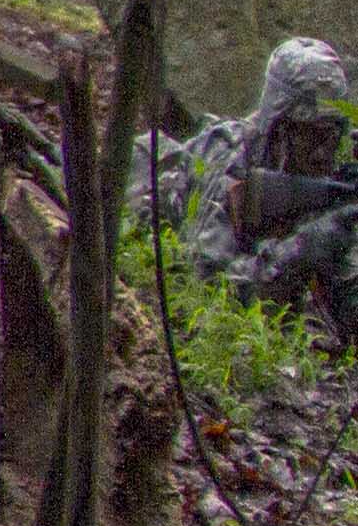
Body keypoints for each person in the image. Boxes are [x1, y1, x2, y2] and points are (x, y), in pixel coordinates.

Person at [146, 35, 358, 329]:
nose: (323, 153)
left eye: (332, 136)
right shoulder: (229, 161)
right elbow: (205, 289)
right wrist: (299, 253)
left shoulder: (326, 188)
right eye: (311, 135)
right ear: (277, 128)